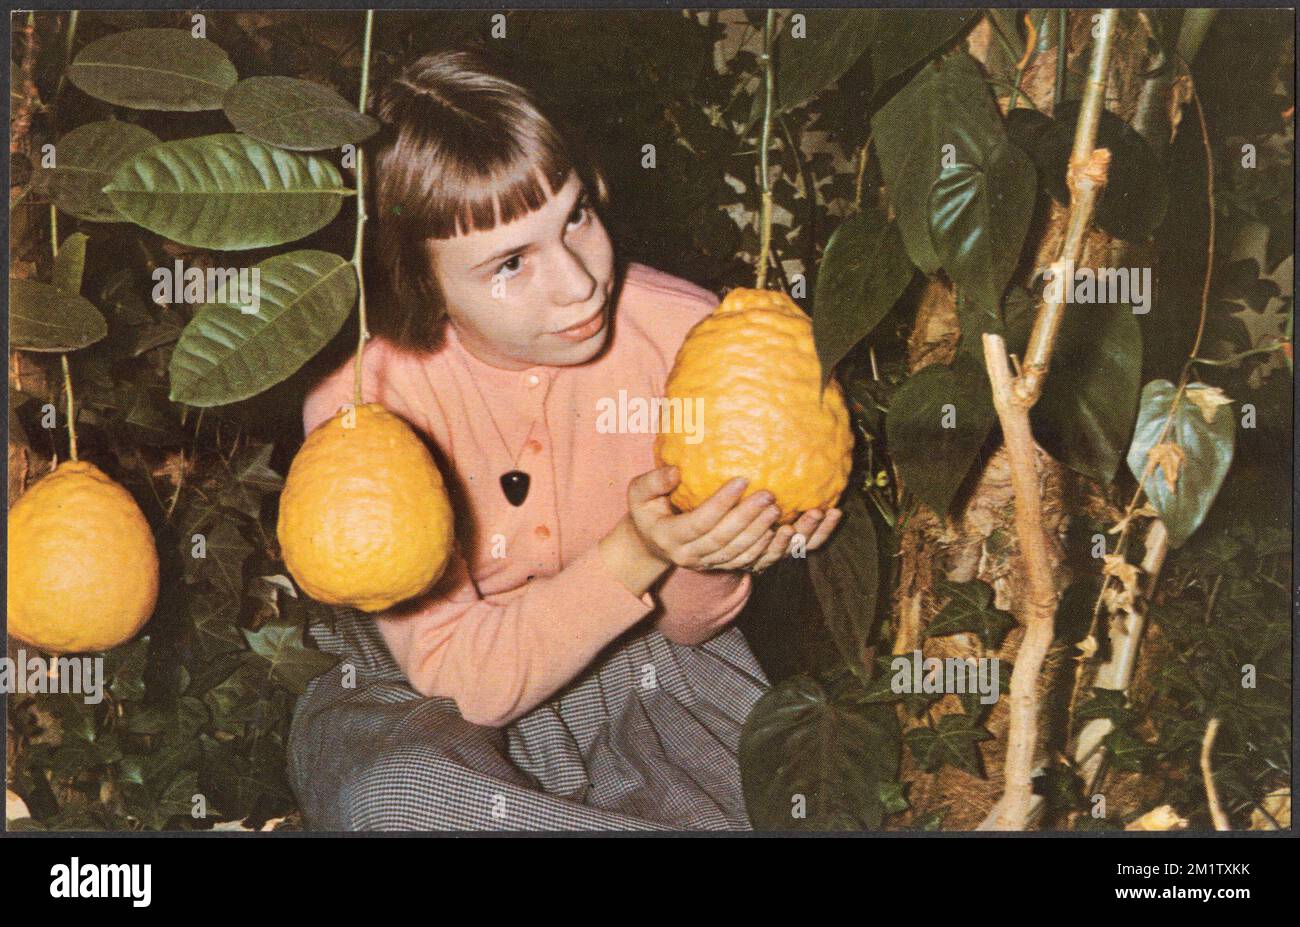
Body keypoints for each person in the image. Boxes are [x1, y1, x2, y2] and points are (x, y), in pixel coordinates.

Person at [286, 48, 842, 831]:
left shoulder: (691, 335)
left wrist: (712, 547)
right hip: (429, 685)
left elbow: (688, 622)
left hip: (650, 657)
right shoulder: (365, 406)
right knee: (401, 796)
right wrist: (634, 549)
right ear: (418, 282)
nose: (580, 282)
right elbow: (461, 676)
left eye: (576, 215)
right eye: (511, 262)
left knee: (750, 799)